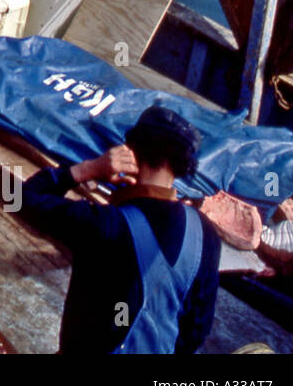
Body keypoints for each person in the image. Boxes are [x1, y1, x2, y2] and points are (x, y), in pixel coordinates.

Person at [19, 105, 221, 354]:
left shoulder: (103, 224)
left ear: (132, 153)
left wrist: (89, 169)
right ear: (182, 166)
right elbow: (196, 331)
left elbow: (24, 198)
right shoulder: (206, 234)